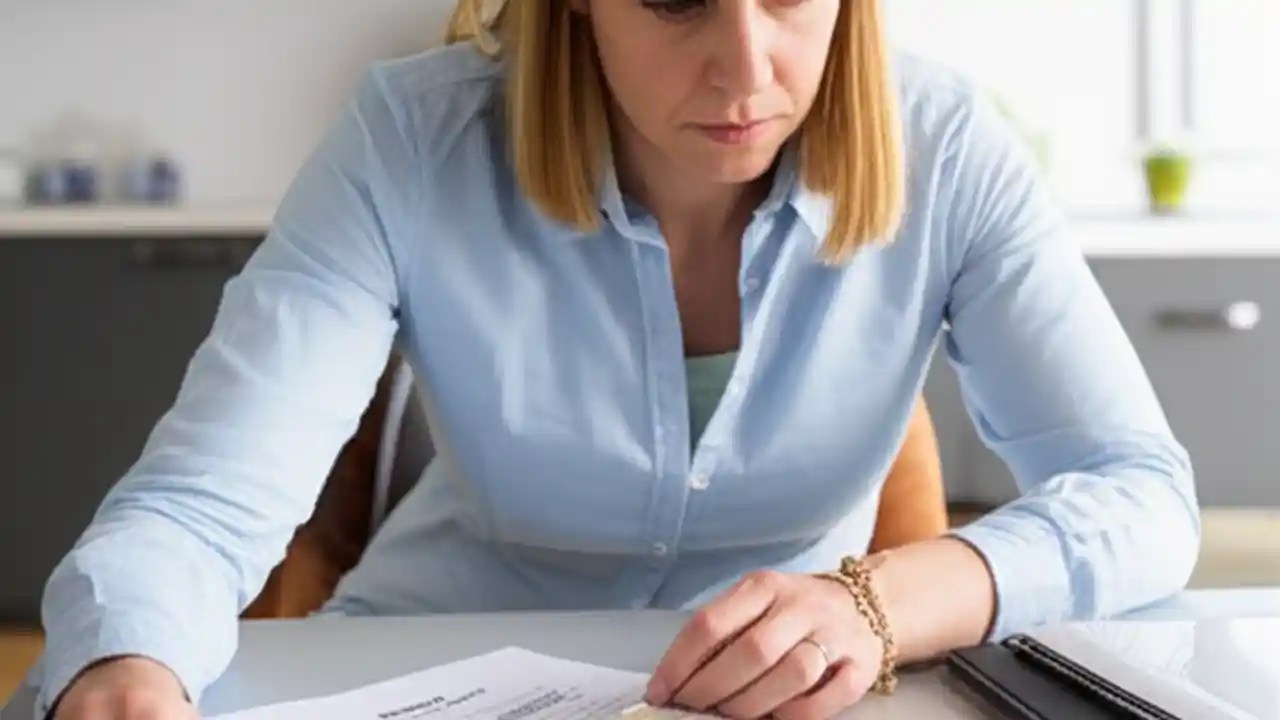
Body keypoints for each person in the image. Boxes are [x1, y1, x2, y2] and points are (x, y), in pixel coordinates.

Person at [42, 1, 1201, 719]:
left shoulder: (951, 149)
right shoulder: (408, 137)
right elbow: (203, 507)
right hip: (419, 668)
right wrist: (126, 658)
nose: (745, 71)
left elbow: (1140, 497)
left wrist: (878, 601)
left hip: (779, 701)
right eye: (675, 1)